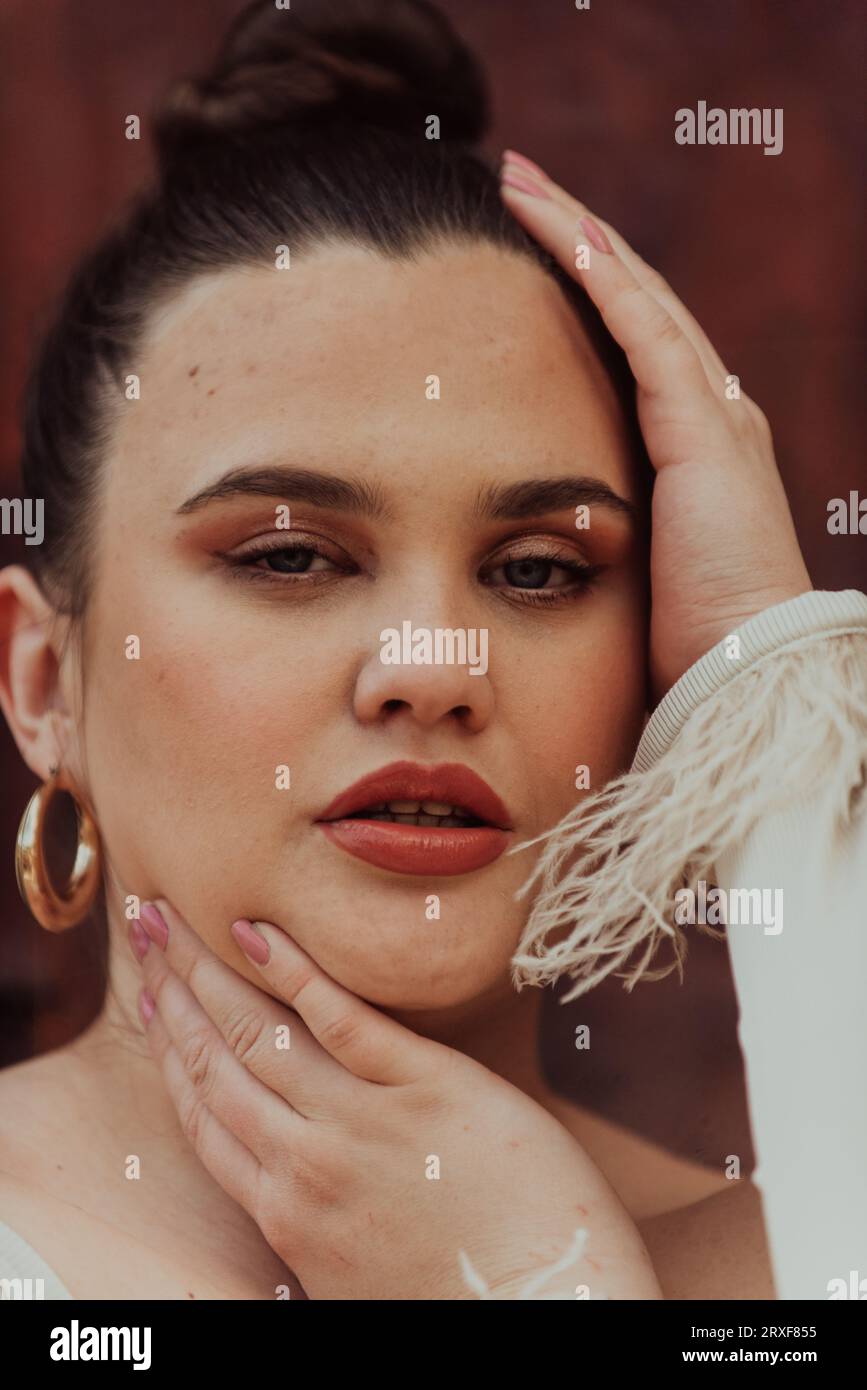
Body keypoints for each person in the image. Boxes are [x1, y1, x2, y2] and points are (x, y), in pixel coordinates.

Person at [1, 0, 864, 1301]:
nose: (434, 664)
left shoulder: (811, 1262)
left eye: (538, 569)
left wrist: (777, 686)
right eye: (289, 555)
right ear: (44, 679)